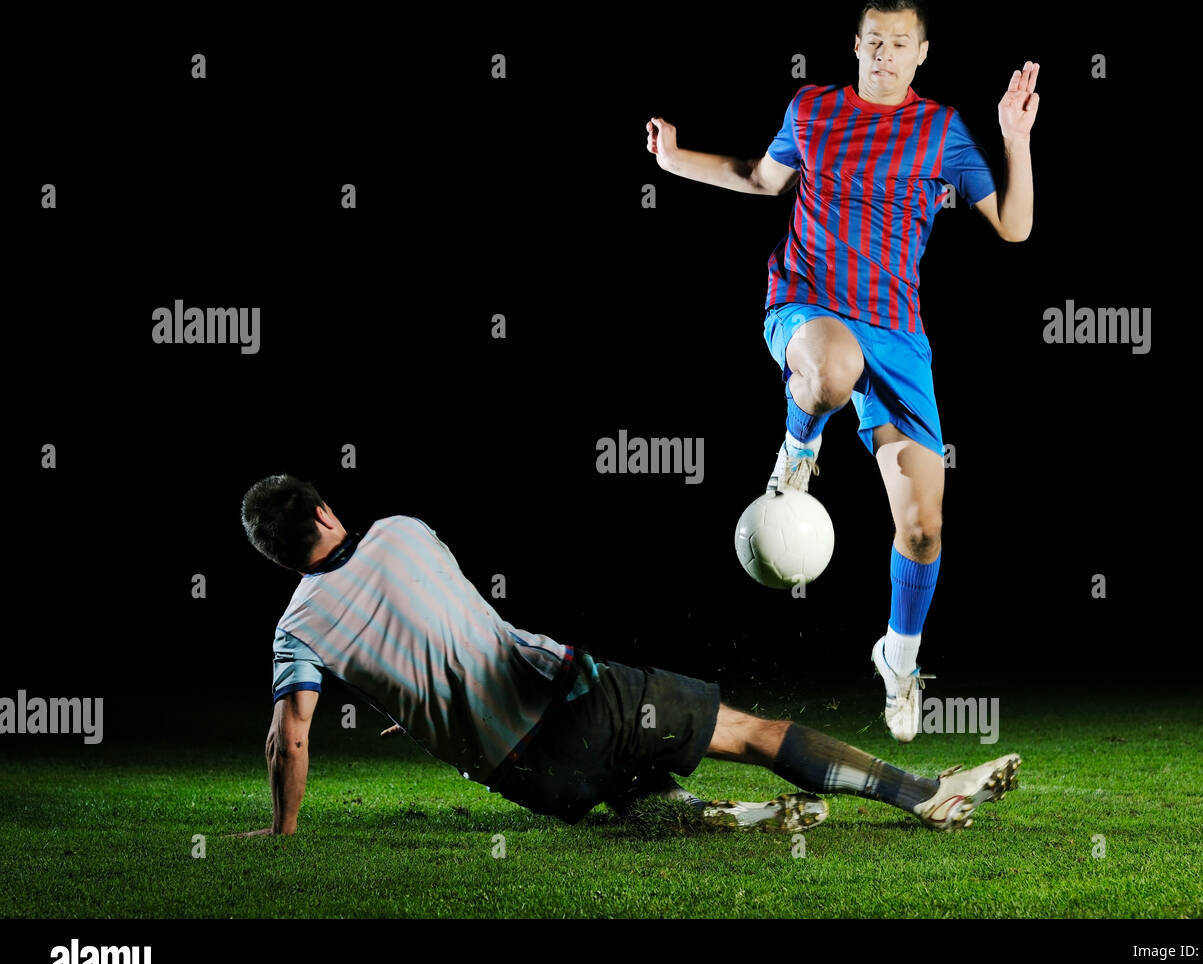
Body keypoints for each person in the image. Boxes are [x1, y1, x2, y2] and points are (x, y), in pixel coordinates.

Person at [645, 0, 1038, 742]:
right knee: (832, 362)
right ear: (856, 47)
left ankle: (899, 655)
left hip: (897, 336)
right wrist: (674, 159)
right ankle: (796, 453)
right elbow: (761, 179)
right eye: (874, 42)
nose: (885, 53)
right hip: (806, 309)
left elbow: (1013, 226)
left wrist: (1015, 138)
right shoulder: (814, 109)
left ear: (921, 54)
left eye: (901, 44)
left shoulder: (944, 132)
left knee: (922, 527)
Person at [236, 474, 1019, 837]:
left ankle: (735, 818)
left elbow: (290, 736)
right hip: (575, 696)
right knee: (748, 730)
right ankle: (922, 792)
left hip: (522, 775)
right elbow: (445, 618)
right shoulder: (401, 528)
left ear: (277, 558)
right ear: (325, 509)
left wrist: (284, 828)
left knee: (615, 789)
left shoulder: (296, 628)